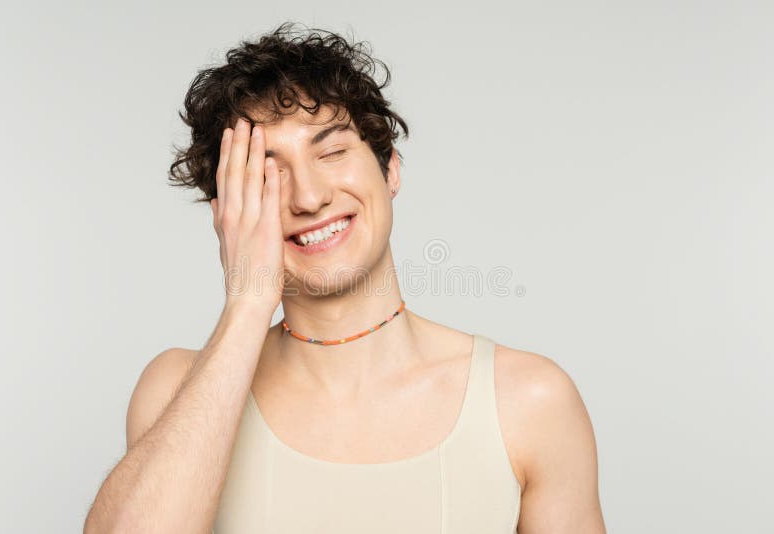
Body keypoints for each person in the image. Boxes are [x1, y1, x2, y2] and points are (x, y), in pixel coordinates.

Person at [84, 22, 606, 534]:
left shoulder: (527, 400)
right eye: (268, 173)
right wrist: (247, 303)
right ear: (228, 211)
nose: (308, 198)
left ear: (390, 169)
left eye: (332, 152)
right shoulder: (177, 389)